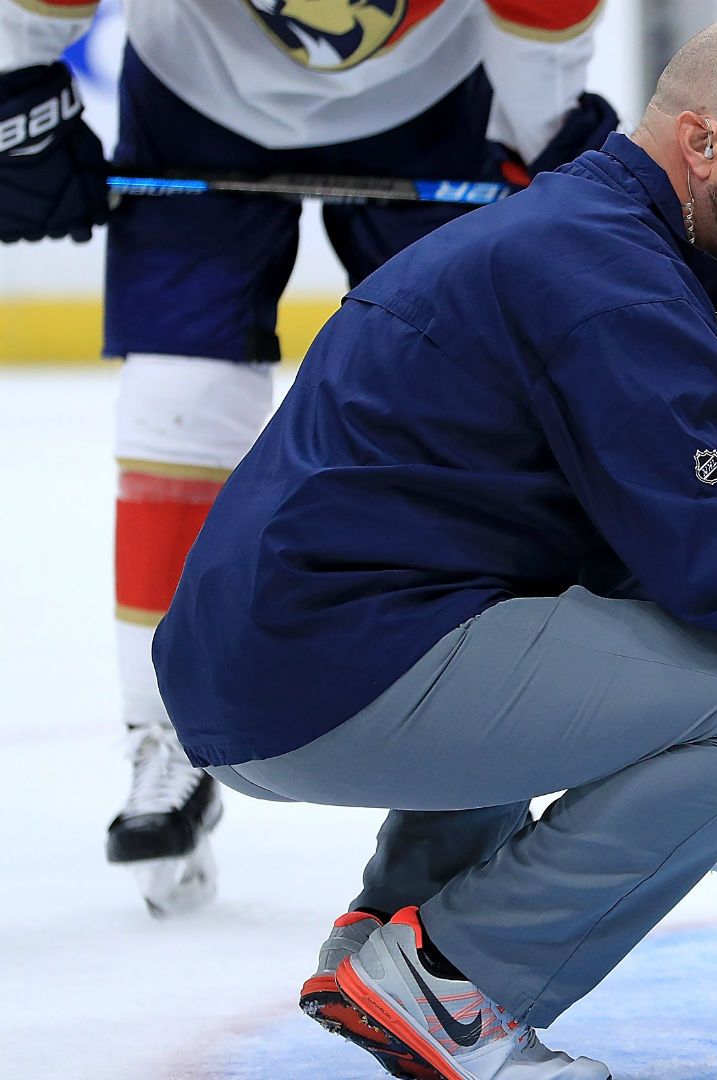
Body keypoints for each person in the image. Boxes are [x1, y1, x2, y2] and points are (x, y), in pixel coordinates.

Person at [151, 21, 717, 1080]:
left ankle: (397, 929)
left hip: (267, 656)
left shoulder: (575, 234)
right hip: (317, 672)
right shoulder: (616, 288)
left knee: (564, 617)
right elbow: (714, 567)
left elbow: (617, 557)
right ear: (704, 144)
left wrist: (664, 774)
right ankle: (455, 982)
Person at [0, 0, 618, 917]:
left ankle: (483, 733)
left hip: (434, 100)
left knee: (472, 408)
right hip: (194, 90)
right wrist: (17, 75)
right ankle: (160, 731)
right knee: (179, 404)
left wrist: (547, 132)